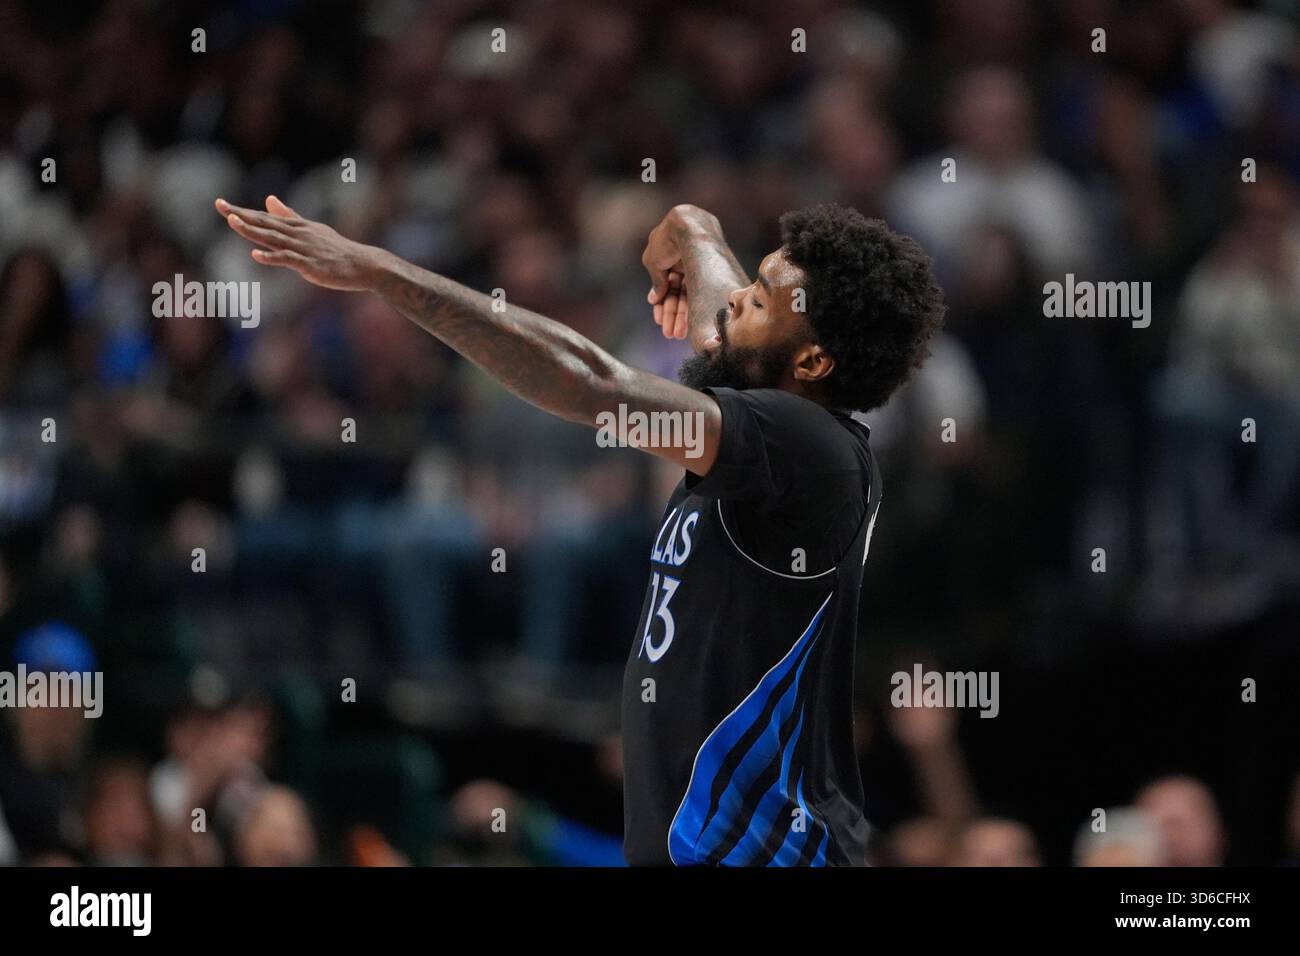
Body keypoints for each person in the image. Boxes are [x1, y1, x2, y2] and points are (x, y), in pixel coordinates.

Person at [214, 195, 945, 866]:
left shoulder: (807, 447)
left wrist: (383, 273)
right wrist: (691, 232)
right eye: (749, 285)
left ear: (813, 361)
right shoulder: (776, 419)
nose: (733, 306)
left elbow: (592, 383)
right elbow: (712, 282)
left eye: (759, 302)